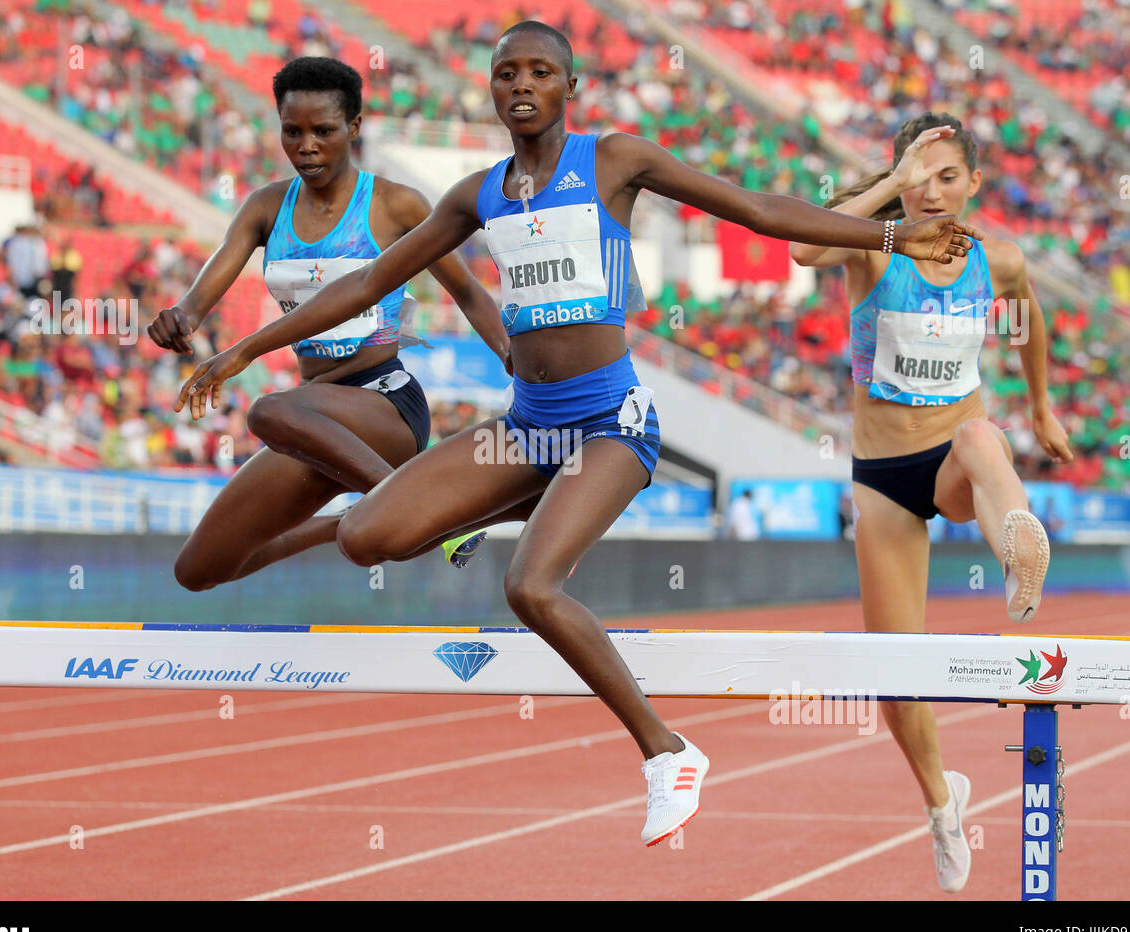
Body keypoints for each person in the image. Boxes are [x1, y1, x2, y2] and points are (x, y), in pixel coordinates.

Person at [175, 23, 978, 846]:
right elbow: (370, 280)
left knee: (530, 588)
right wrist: (245, 348)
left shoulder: (614, 160)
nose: (521, 84)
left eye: (540, 72)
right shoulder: (474, 195)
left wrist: (892, 234)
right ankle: (487, 515)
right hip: (529, 425)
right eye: (505, 73)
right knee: (367, 534)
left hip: (610, 422)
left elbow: (759, 210)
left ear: (570, 87)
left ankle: (668, 752)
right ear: (490, 91)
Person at [790, 112, 1074, 891]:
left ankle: (1019, 548)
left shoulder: (998, 260)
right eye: (921, 175)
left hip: (953, 458)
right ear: (901, 179)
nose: (934, 190)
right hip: (883, 478)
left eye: (950, 175)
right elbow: (803, 244)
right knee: (895, 671)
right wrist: (889, 189)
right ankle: (944, 805)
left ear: (974, 184)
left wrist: (1043, 406)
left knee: (985, 438)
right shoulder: (875, 251)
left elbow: (1030, 317)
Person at [149, 57, 512, 591]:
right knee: (198, 570)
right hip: (312, 419)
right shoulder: (266, 208)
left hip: (384, 404)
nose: (306, 145)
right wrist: (179, 318)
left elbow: (467, 292)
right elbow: (198, 298)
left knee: (269, 409)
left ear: (354, 127)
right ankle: (364, 517)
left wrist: (516, 362)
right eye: (292, 132)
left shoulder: (395, 205)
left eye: (323, 130)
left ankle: (423, 510)